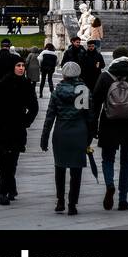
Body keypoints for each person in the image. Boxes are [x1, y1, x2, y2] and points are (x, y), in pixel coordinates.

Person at [90, 47, 128, 212]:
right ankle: (123, 199)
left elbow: (95, 103)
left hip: (109, 123)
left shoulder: (105, 76)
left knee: (107, 159)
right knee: (126, 162)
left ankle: (110, 185)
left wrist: (92, 125)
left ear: (114, 58)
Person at [40, 62, 91, 216]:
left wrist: (44, 137)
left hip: (61, 131)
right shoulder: (83, 90)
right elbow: (89, 116)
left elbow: (50, 116)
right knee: (76, 170)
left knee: (60, 167)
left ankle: (60, 200)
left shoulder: (57, 91)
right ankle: (72, 204)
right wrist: (90, 137)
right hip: (79, 131)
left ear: (63, 75)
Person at [0, 56, 38, 204]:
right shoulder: (2, 84)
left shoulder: (26, 84)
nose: (21, 68)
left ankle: (10, 187)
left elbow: (34, 107)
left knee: (13, 160)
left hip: (18, 127)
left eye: (23, 65)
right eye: (18, 65)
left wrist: (26, 121)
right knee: (3, 160)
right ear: (12, 67)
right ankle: (3, 192)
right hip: (3, 127)